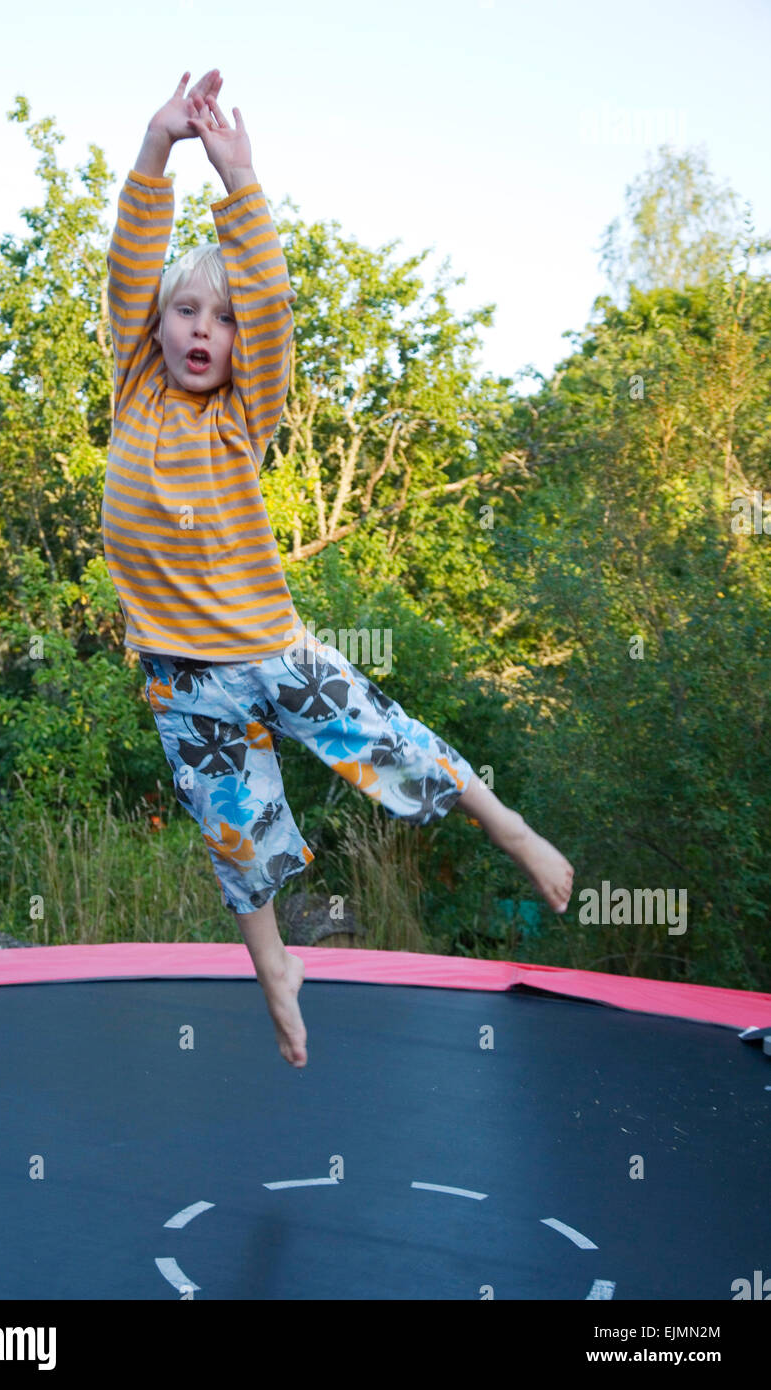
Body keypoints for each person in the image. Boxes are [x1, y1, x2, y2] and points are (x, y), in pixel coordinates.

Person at [103, 69, 574, 1071]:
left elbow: (266, 298)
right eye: (185, 311)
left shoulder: (241, 415)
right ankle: (274, 967)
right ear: (154, 328)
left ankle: (508, 825)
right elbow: (128, 262)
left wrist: (239, 182)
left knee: (385, 742)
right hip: (177, 673)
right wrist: (155, 147)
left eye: (219, 320)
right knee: (237, 834)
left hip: (271, 647)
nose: (201, 330)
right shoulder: (134, 388)